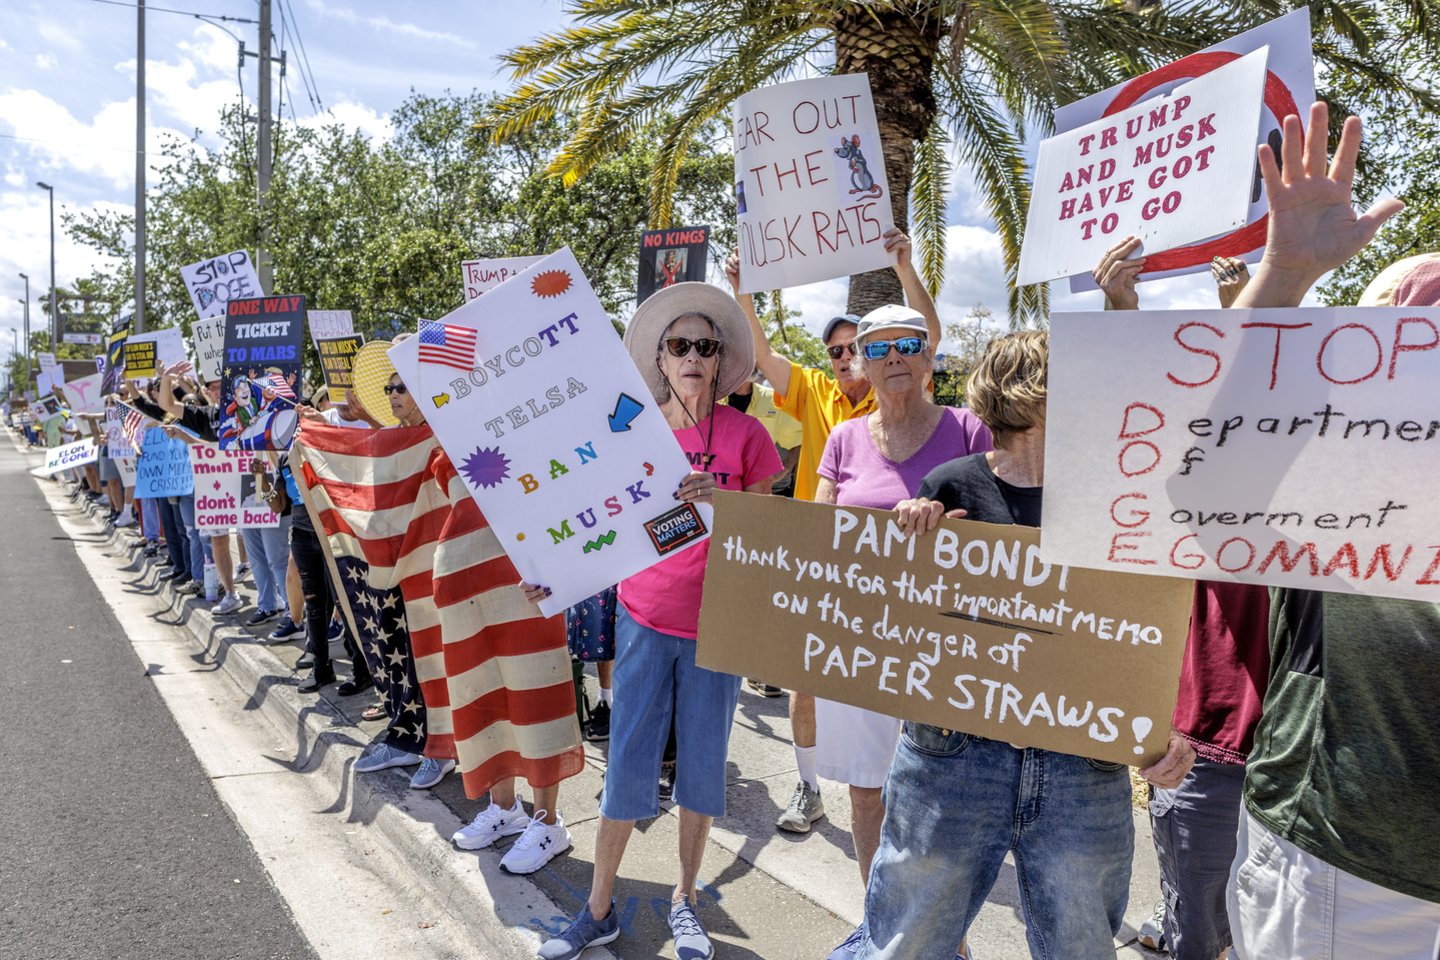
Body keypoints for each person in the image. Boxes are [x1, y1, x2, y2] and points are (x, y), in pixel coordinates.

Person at [852, 331, 1195, 960]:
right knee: (909, 939)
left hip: (1079, 759)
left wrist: (1165, 723)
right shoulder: (949, 484)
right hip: (954, 751)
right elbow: (901, 615)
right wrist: (910, 536)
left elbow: (1153, 622)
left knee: (1081, 945)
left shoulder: (1117, 499)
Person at [1214, 103, 1439, 959]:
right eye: (1408, 347)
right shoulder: (1329, 476)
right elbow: (1204, 482)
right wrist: (1285, 275)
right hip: (1350, 873)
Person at [535, 281, 781, 960]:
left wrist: (724, 504)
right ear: (662, 362)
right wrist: (551, 571)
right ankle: (598, 907)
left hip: (718, 626)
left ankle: (686, 900)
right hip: (644, 619)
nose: (693, 356)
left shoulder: (746, 435)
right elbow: (583, 513)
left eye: (706, 345)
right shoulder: (627, 430)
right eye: (680, 346)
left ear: (721, 359)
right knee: (625, 767)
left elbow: (768, 532)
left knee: (701, 769)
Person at [725, 228, 940, 835]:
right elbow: (762, 355)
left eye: (858, 346)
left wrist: (902, 267)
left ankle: (902, 799)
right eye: (841, 350)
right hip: (824, 570)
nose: (849, 357)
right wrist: (742, 293)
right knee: (805, 688)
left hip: (901, 589)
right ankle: (809, 785)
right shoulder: (815, 395)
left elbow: (924, 336)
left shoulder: (903, 397)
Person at [1090, 237, 1271, 960]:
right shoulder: (1167, 486)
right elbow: (1123, 417)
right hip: (1206, 748)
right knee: (1201, 932)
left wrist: (1252, 309)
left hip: (1314, 761)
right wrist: (1121, 308)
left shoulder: (1333, 486)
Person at [813, 304, 991, 960]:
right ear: (859, 361)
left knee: (941, 796)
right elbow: (815, 532)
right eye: (877, 346)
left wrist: (948, 514)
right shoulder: (843, 439)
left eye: (907, 344)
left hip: (946, 645)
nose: (893, 357)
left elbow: (1007, 518)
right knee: (867, 789)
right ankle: (881, 927)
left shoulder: (970, 429)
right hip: (858, 637)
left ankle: (949, 940)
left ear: (929, 356)